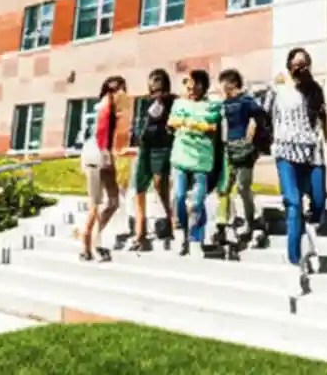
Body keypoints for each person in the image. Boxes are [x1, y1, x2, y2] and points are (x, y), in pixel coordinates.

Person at [264, 47, 327, 295]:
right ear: (289, 65)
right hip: (285, 150)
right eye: (296, 63)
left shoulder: (315, 89)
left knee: (319, 202)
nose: (300, 67)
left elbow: (322, 120)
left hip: (312, 151)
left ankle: (309, 236)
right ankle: (293, 264)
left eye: (305, 63)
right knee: (292, 204)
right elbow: (263, 115)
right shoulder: (277, 88)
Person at [168, 69, 222, 257]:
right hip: (181, 156)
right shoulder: (179, 103)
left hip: (201, 159)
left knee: (197, 201)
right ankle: (180, 233)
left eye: (195, 85)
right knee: (179, 197)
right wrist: (196, 124)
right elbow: (173, 122)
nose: (190, 89)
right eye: (188, 85)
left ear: (203, 86)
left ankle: (196, 238)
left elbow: (212, 126)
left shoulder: (212, 106)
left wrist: (189, 123)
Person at [79, 75, 127, 262]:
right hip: (97, 153)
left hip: (100, 152)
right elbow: (102, 131)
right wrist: (106, 154)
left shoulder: (106, 104)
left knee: (113, 202)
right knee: (96, 203)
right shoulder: (107, 104)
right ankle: (87, 242)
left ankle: (94, 238)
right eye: (122, 89)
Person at [215, 68, 266, 246]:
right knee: (225, 187)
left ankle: (251, 222)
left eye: (222, 83)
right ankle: (229, 223)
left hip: (244, 150)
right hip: (228, 149)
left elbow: (259, 116)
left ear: (231, 84)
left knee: (244, 186)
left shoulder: (245, 100)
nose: (219, 87)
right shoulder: (223, 104)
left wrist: (250, 137)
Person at [129, 69, 176, 251]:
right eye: (151, 83)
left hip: (162, 146)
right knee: (139, 187)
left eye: (157, 82)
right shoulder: (145, 101)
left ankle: (170, 221)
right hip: (145, 147)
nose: (153, 86)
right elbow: (139, 122)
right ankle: (140, 234)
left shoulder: (172, 101)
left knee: (159, 183)